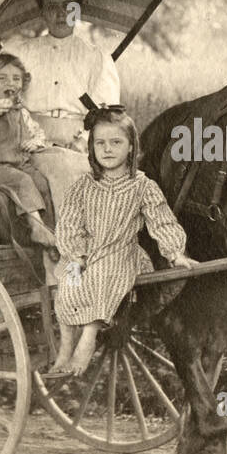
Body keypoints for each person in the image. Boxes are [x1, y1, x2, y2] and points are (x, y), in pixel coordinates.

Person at [49, 106, 196, 376]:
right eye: (100, 143)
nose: (107, 149)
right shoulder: (83, 186)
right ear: (91, 149)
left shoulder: (142, 185)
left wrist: (175, 253)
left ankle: (88, 338)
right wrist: (76, 254)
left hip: (123, 253)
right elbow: (69, 222)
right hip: (89, 252)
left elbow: (160, 220)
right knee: (68, 281)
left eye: (116, 142)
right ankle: (65, 348)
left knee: (104, 273)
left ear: (131, 147)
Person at [2, 0, 120, 207]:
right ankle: (63, 241)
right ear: (42, 12)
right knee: (60, 167)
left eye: (68, 7)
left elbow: (108, 117)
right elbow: (4, 104)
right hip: (29, 143)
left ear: (78, 10)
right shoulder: (22, 54)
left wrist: (82, 142)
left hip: (83, 145)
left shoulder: (96, 58)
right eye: (52, 7)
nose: (60, 14)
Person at [0, 53, 56, 249]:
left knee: (42, 182)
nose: (10, 83)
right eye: (2, 79)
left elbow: (39, 133)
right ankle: (35, 228)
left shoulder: (22, 112)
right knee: (22, 181)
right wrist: (10, 103)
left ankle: (49, 230)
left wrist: (34, 142)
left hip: (18, 164)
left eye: (16, 79)